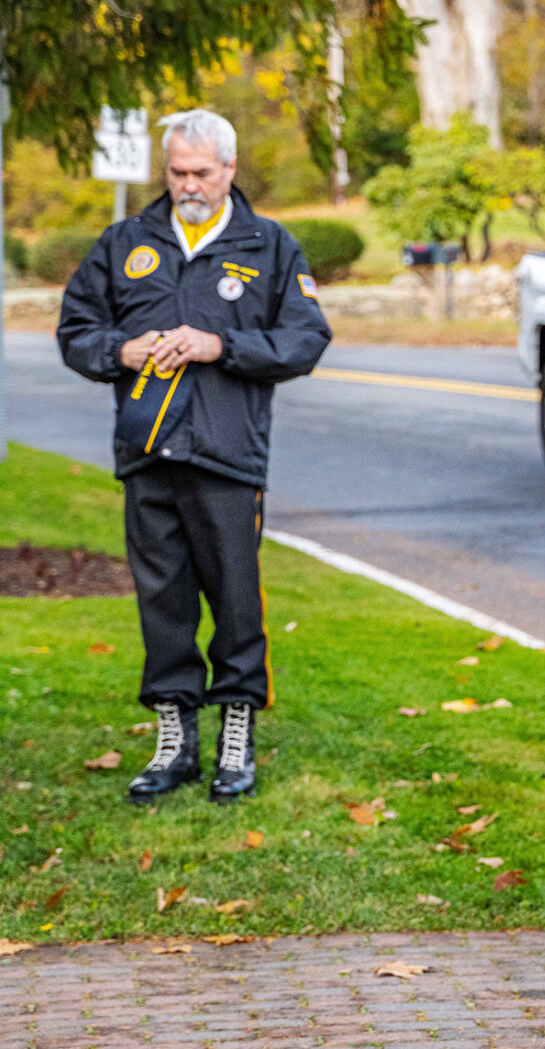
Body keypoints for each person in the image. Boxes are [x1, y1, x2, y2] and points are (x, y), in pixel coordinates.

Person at [57, 108, 332, 804]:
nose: (188, 185)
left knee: (236, 601)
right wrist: (118, 351)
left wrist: (221, 346)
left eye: (201, 173)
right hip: (147, 455)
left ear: (230, 169)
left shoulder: (269, 246)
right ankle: (174, 743)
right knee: (163, 603)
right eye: (177, 172)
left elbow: (305, 340)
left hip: (226, 458)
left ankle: (236, 738)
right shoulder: (125, 241)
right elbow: (75, 329)